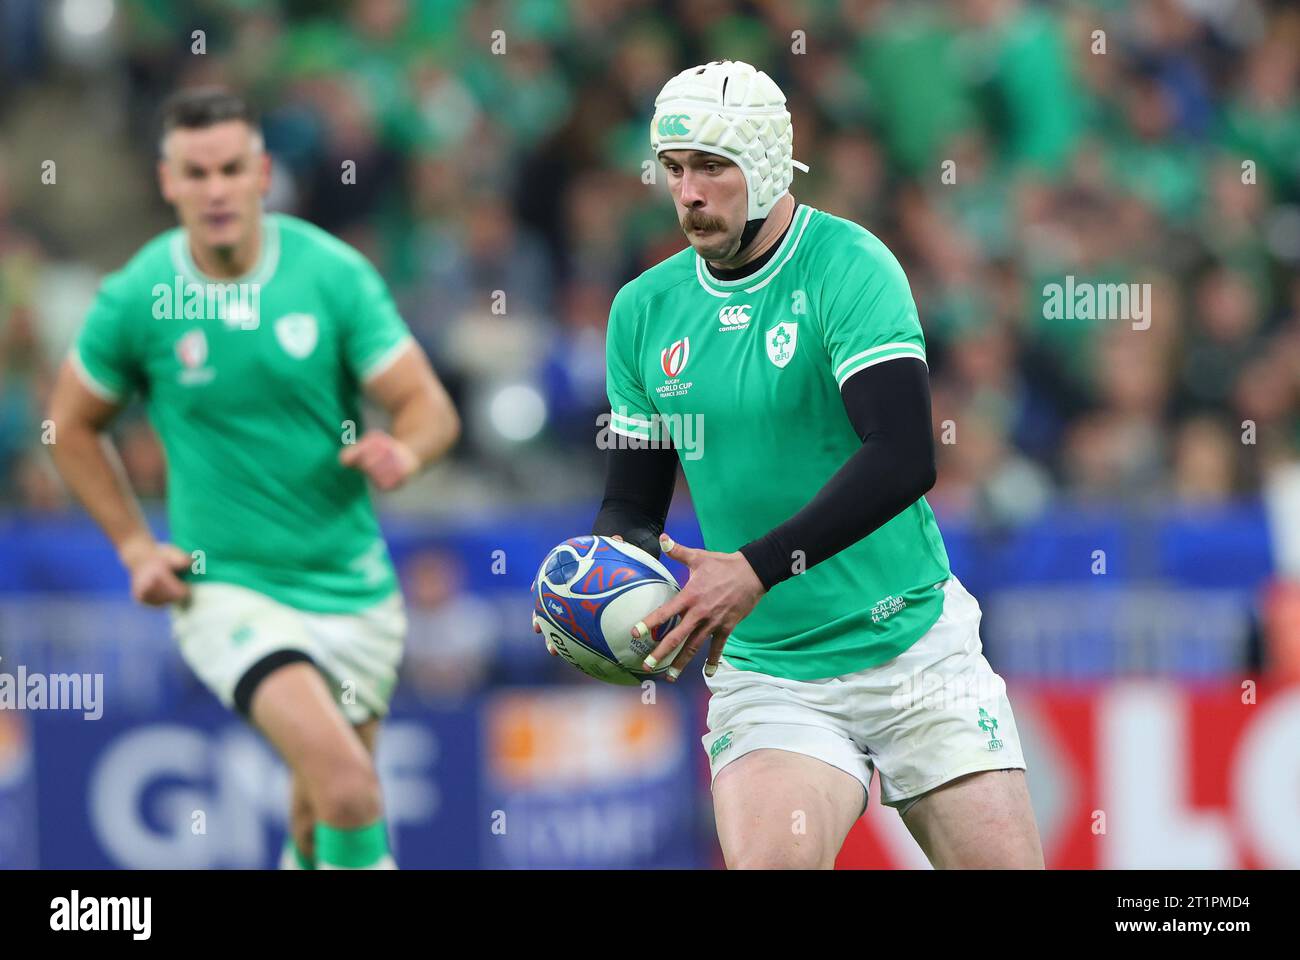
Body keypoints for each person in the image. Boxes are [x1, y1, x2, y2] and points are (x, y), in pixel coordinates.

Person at [588, 61, 1042, 869]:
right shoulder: (643, 310)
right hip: (772, 672)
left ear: (764, 165)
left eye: (711, 167)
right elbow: (633, 507)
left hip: (913, 649)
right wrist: (599, 591)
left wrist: (755, 568)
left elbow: (903, 457)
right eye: (675, 168)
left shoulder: (849, 266)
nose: (688, 192)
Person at [46, 87, 460, 870]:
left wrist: (403, 452)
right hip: (229, 589)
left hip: (355, 592)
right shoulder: (139, 296)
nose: (215, 190)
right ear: (167, 181)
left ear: (262, 172)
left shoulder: (331, 275)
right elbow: (68, 426)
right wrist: (136, 545)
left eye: (231, 169)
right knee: (348, 790)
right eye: (195, 173)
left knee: (314, 827)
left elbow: (429, 408)